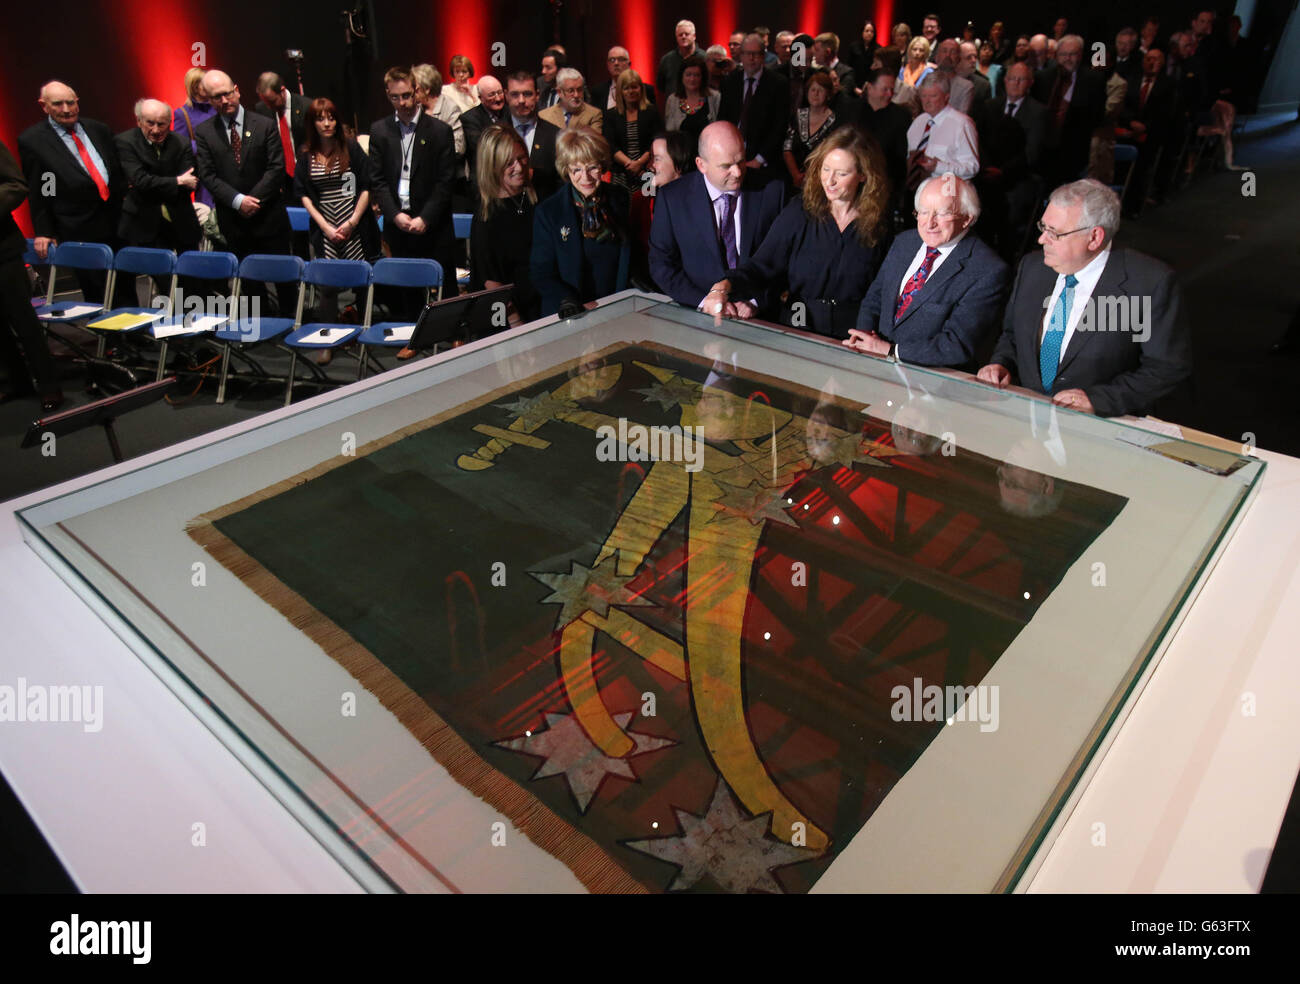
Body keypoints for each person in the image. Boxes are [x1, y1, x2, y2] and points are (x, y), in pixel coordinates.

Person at [978, 179, 1192, 417]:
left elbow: (1166, 367)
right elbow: (1011, 334)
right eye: (1043, 228)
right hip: (1029, 422)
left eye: (1054, 233)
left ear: (1094, 238)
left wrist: (1099, 400)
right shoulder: (1033, 267)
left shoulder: (1149, 283)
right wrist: (1001, 363)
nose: (1041, 240)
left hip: (1102, 428)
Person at [706, 127, 888, 339]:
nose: (829, 181)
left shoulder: (879, 224)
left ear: (864, 175)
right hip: (799, 324)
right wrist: (723, 287)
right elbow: (762, 265)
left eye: (842, 173)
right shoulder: (800, 211)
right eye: (826, 169)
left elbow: (882, 292)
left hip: (852, 335)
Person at [845, 174, 1008, 366]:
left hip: (931, 382)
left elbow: (957, 345)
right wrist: (865, 339)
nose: (929, 223)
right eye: (923, 211)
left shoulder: (987, 270)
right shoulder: (904, 242)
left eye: (942, 213)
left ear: (967, 219)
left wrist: (890, 351)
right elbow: (874, 299)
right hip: (875, 366)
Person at [648, 121, 785, 310]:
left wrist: (756, 302)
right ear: (701, 164)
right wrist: (705, 303)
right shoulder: (673, 199)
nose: (737, 172)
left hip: (759, 315)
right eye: (726, 166)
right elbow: (661, 265)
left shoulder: (772, 190)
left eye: (741, 161)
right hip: (699, 317)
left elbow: (785, 258)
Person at [18, 80, 129, 306]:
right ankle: (109, 338)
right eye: (58, 104)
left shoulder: (99, 129)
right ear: (44, 106)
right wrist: (44, 230)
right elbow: (42, 189)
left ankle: (136, 337)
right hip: (78, 227)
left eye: (71, 103)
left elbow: (116, 173)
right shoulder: (34, 141)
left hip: (116, 221)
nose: (66, 109)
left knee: (126, 283)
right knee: (96, 290)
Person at [368, 65, 459, 308]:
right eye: (395, 97)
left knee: (445, 282)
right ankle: (413, 337)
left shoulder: (440, 131)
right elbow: (377, 180)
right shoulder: (379, 131)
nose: (403, 103)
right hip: (398, 221)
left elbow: (445, 181)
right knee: (407, 288)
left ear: (416, 91)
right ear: (388, 95)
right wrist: (395, 215)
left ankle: (454, 335)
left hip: (433, 222)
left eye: (407, 95)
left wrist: (425, 218)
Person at [530, 127, 631, 316]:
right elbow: (541, 272)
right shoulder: (549, 211)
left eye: (592, 167)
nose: (585, 177)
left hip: (615, 308)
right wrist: (569, 301)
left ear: (603, 165)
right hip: (570, 312)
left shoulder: (619, 198)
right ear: (566, 170)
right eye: (576, 169)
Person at [0, 138, 62, 410]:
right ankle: (18, 381)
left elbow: (16, 185)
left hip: (2, 250)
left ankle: (49, 386)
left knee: (23, 320)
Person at [115, 99, 202, 262]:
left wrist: (152, 183)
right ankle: (168, 289)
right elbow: (140, 181)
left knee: (187, 277)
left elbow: (190, 183)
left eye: (162, 124)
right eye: (150, 123)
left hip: (181, 220)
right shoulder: (125, 142)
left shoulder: (181, 142)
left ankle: (179, 290)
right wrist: (177, 181)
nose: (156, 130)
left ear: (170, 122)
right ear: (138, 121)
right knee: (163, 277)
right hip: (144, 222)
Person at [469, 124, 540, 325]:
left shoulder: (536, 198)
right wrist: (515, 321)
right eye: (509, 163)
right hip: (505, 314)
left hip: (539, 304)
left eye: (521, 158)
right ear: (492, 166)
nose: (519, 167)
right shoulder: (486, 217)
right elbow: (491, 282)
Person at [1034, 35, 1107, 186]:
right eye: (1063, 54)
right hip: (1043, 149)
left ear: (1080, 55)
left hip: (1074, 151)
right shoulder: (1043, 77)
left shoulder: (1094, 80)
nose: (1067, 58)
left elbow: (1098, 117)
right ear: (1056, 55)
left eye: (1072, 54)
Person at [718, 33, 789, 184]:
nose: (751, 58)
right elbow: (722, 120)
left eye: (756, 54)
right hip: (731, 156)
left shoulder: (778, 83)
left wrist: (759, 159)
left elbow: (780, 126)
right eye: (747, 54)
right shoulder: (730, 82)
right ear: (741, 56)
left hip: (763, 161)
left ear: (763, 56)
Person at [906, 73, 979, 191]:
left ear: (946, 96)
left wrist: (939, 167)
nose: (927, 101)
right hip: (916, 194)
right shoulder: (918, 122)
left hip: (948, 196)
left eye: (933, 96)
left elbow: (972, 167)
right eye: (924, 96)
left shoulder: (962, 124)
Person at [857, 68, 911, 209]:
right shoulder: (852, 110)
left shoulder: (901, 116)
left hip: (883, 189)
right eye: (885, 89)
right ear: (870, 88)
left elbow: (901, 157)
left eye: (892, 89)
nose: (890, 94)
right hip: (853, 184)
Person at [505, 71, 561, 201]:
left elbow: (561, 181)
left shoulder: (556, 134)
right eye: (515, 94)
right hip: (505, 210)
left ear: (537, 95)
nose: (521, 100)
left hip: (545, 209)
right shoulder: (494, 134)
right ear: (506, 96)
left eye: (527, 94)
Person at [605, 69, 662, 194]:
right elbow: (611, 145)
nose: (631, 91)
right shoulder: (611, 115)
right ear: (620, 91)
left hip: (647, 170)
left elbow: (656, 141)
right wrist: (630, 164)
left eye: (634, 87)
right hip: (621, 173)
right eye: (626, 88)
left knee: (647, 207)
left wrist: (640, 163)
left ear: (641, 89)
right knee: (621, 210)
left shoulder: (651, 112)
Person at [783, 73, 837, 189]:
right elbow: (787, 149)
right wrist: (796, 175)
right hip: (793, 179)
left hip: (820, 181)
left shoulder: (834, 121)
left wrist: (812, 178)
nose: (816, 94)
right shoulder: (797, 115)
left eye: (820, 90)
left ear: (828, 94)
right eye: (813, 90)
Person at [172, 67, 216, 208]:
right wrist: (205, 146)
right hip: (205, 174)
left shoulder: (218, 107)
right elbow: (181, 144)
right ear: (196, 87)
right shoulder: (182, 113)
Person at [462, 74, 508, 190]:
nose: (498, 98)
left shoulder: (512, 113)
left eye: (500, 92)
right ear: (481, 98)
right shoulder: (469, 118)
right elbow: (483, 146)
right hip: (484, 180)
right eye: (491, 95)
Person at [413, 64, 466, 161]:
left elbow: (458, 147)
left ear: (427, 89)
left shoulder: (451, 108)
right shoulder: (417, 108)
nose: (412, 93)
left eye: (416, 90)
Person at [664, 54, 719, 145]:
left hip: (708, 152)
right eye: (688, 75)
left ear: (703, 77)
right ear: (681, 77)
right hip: (681, 154)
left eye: (697, 75)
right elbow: (669, 133)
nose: (692, 79)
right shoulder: (672, 100)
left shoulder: (714, 97)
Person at [540, 68, 603, 133]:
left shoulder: (594, 114)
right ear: (559, 92)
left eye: (579, 90)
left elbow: (594, 142)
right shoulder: (544, 116)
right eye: (571, 91)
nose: (576, 95)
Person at [657, 20, 700, 109]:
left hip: (699, 108)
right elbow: (661, 86)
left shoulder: (704, 58)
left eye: (687, 34)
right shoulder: (667, 60)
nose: (683, 37)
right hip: (674, 110)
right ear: (676, 38)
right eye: (680, 35)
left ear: (694, 36)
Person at [846, 21, 881, 91]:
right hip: (854, 84)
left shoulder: (878, 49)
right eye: (867, 31)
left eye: (872, 31)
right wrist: (854, 87)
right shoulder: (853, 47)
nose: (869, 33)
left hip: (871, 85)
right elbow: (849, 67)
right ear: (862, 32)